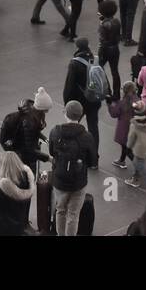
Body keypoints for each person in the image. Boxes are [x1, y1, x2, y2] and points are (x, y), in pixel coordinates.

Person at [48, 100, 97, 235]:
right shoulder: (87, 136)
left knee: (60, 210)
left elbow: (51, 152)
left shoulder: (55, 132)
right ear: (81, 116)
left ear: (66, 113)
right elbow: (93, 160)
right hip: (78, 181)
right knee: (73, 215)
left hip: (59, 179)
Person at [97, 0, 122, 101]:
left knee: (100, 68)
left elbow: (102, 40)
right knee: (115, 71)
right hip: (115, 48)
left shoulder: (103, 25)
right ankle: (116, 94)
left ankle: (107, 91)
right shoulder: (116, 21)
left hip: (105, 49)